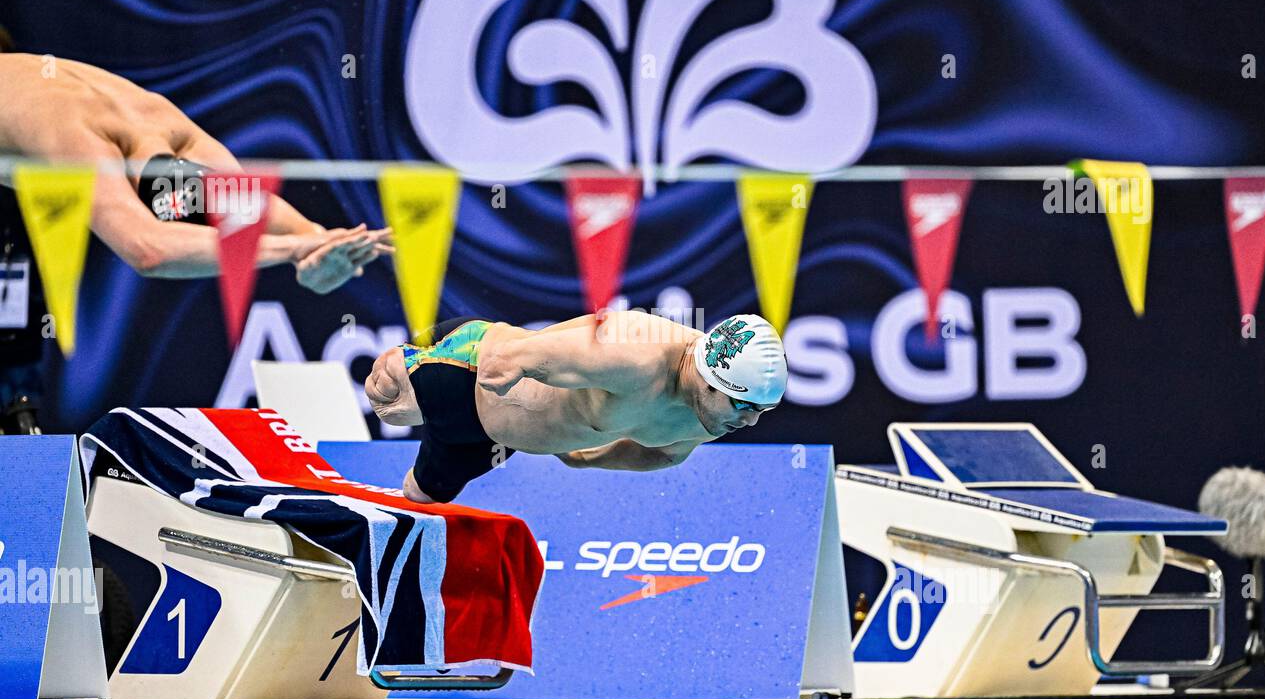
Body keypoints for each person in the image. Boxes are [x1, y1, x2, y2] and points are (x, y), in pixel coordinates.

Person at [0, 46, 391, 431]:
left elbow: (253, 222)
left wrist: (318, 250)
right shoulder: (87, 133)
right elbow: (147, 249)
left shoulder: (164, 137)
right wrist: (294, 247)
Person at [365, 311, 788, 503]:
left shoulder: (710, 415)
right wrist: (416, 372)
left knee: (418, 497)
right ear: (709, 377)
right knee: (387, 400)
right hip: (462, 371)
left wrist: (588, 460)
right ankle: (398, 373)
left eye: (759, 412)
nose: (748, 421)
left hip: (492, 437)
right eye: (741, 405)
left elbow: (662, 454)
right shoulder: (633, 351)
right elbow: (510, 355)